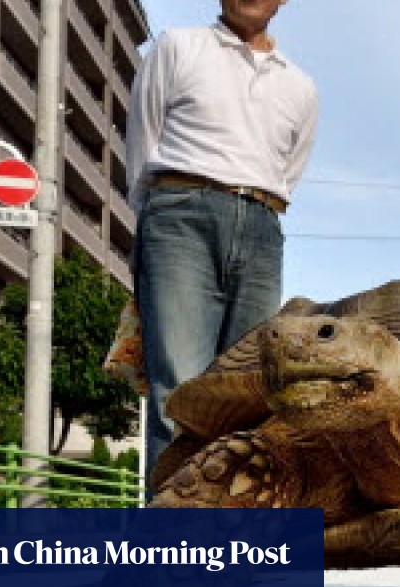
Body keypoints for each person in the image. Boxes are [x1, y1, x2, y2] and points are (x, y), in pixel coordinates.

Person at [125, 0, 318, 486]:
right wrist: (162, 211)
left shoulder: (299, 85)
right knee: (181, 389)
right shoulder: (177, 47)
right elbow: (141, 145)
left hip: (263, 224)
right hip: (179, 212)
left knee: (249, 393)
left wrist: (253, 205)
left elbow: (288, 172)